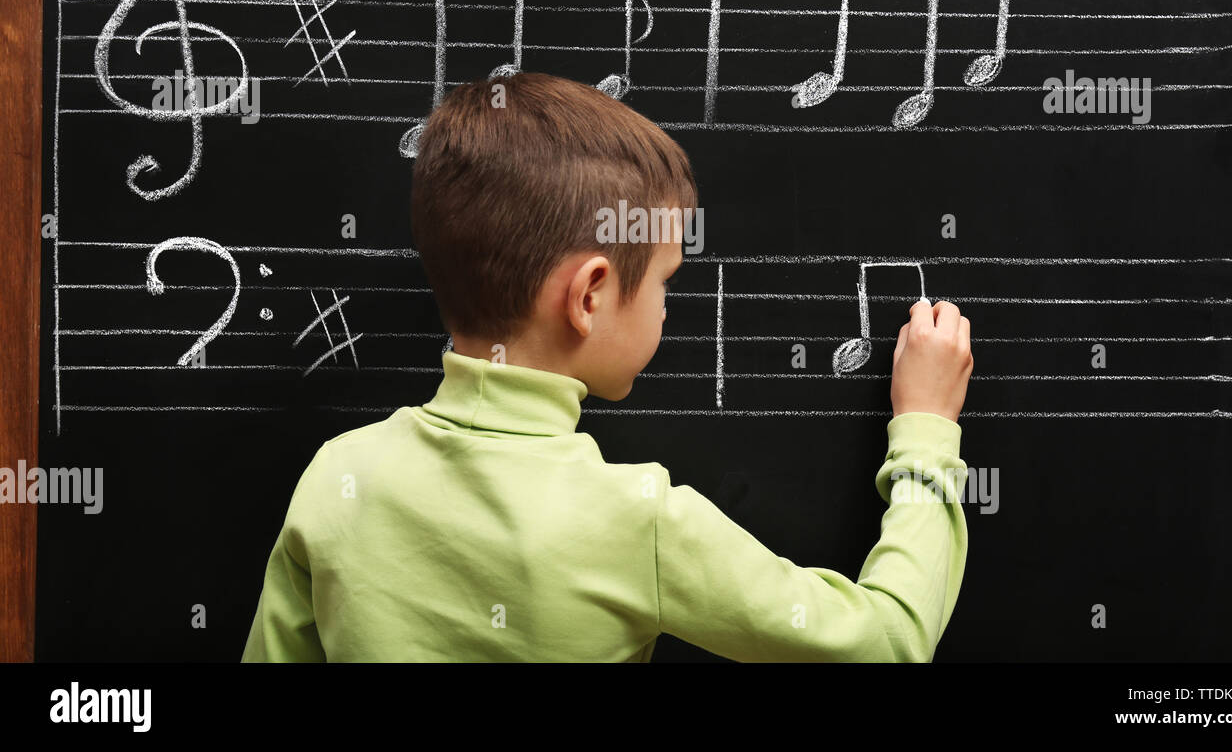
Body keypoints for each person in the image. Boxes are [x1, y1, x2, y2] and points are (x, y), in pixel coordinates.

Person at [241, 71, 973, 661]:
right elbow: (886, 642)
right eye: (664, 281)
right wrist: (926, 432)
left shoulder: (338, 480)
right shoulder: (640, 524)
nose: (665, 308)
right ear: (590, 296)